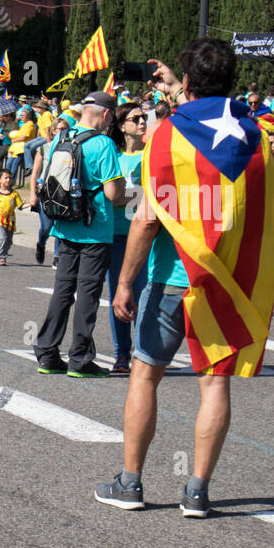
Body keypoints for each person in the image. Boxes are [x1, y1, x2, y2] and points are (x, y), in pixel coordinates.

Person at [96, 39, 274, 518]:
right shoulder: (255, 135)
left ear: (187, 84)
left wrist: (125, 282)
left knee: (145, 374)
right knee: (214, 384)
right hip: (223, 280)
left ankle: (131, 483)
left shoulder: (167, 137)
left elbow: (146, 218)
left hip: (170, 277)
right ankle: (197, 493)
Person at [31, 90, 124, 377]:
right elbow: (113, 193)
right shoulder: (104, 144)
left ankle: (47, 352)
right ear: (106, 115)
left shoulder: (61, 138)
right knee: (87, 294)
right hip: (95, 230)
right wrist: (129, 195)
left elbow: (48, 179)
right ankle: (81, 358)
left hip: (65, 225)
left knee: (62, 290)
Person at [105, 102, 150, 372]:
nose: (143, 122)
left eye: (145, 117)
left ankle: (143, 352)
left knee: (144, 295)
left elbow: (159, 195)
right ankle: (121, 354)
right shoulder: (115, 156)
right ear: (122, 126)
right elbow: (107, 195)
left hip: (146, 234)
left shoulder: (151, 156)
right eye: (136, 118)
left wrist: (123, 198)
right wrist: (131, 198)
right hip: (117, 234)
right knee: (119, 295)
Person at [0, 168, 23, 265]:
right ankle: (1, 256)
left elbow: (20, 206)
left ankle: (4, 252)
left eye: (10, 178)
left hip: (10, 221)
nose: (8, 180)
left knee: (8, 241)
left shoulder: (14, 194)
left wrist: (32, 204)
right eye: (6, 178)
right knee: (2, 238)